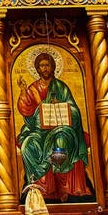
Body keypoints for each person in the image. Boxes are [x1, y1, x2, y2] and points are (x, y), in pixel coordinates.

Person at [17, 51, 91, 201]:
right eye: (41, 66)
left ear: (52, 67)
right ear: (37, 69)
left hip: (61, 128)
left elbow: (75, 111)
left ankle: (63, 186)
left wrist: (64, 107)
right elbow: (27, 114)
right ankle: (41, 186)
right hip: (39, 130)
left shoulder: (61, 87)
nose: (44, 69)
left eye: (47, 65)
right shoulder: (33, 89)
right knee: (27, 145)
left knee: (61, 142)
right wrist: (24, 92)